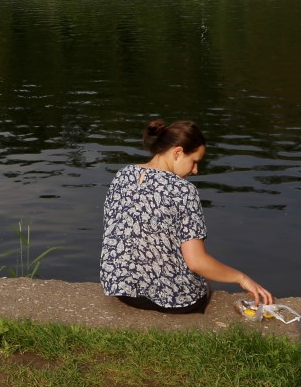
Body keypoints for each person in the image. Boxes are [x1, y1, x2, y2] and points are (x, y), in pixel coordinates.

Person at [100, 118, 272, 313]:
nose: (195, 170)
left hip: (122, 291)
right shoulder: (183, 190)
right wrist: (241, 278)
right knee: (202, 285)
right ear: (178, 152)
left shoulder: (123, 175)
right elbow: (196, 262)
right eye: (194, 162)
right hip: (172, 300)